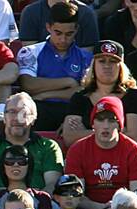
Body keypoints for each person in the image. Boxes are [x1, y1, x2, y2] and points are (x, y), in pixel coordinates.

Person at [15, 1, 92, 133]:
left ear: (76, 30)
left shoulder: (86, 57)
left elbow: (84, 92)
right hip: (39, 109)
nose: (63, 39)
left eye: (69, 34)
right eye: (58, 33)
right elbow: (28, 84)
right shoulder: (30, 52)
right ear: (48, 27)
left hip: (72, 109)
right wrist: (69, 81)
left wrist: (46, 94)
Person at [58, 40, 137, 150]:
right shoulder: (80, 97)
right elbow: (69, 138)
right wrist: (119, 132)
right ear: (93, 65)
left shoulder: (133, 96)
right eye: (102, 61)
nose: (107, 66)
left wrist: (86, 132)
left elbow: (135, 138)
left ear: (121, 67)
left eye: (113, 61)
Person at [0, 92, 63, 197]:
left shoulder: (48, 146)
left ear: (33, 119)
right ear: (4, 117)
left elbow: (52, 184)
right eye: (12, 112)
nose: (17, 118)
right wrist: (3, 203)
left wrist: (34, 204)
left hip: (38, 205)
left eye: (24, 113)